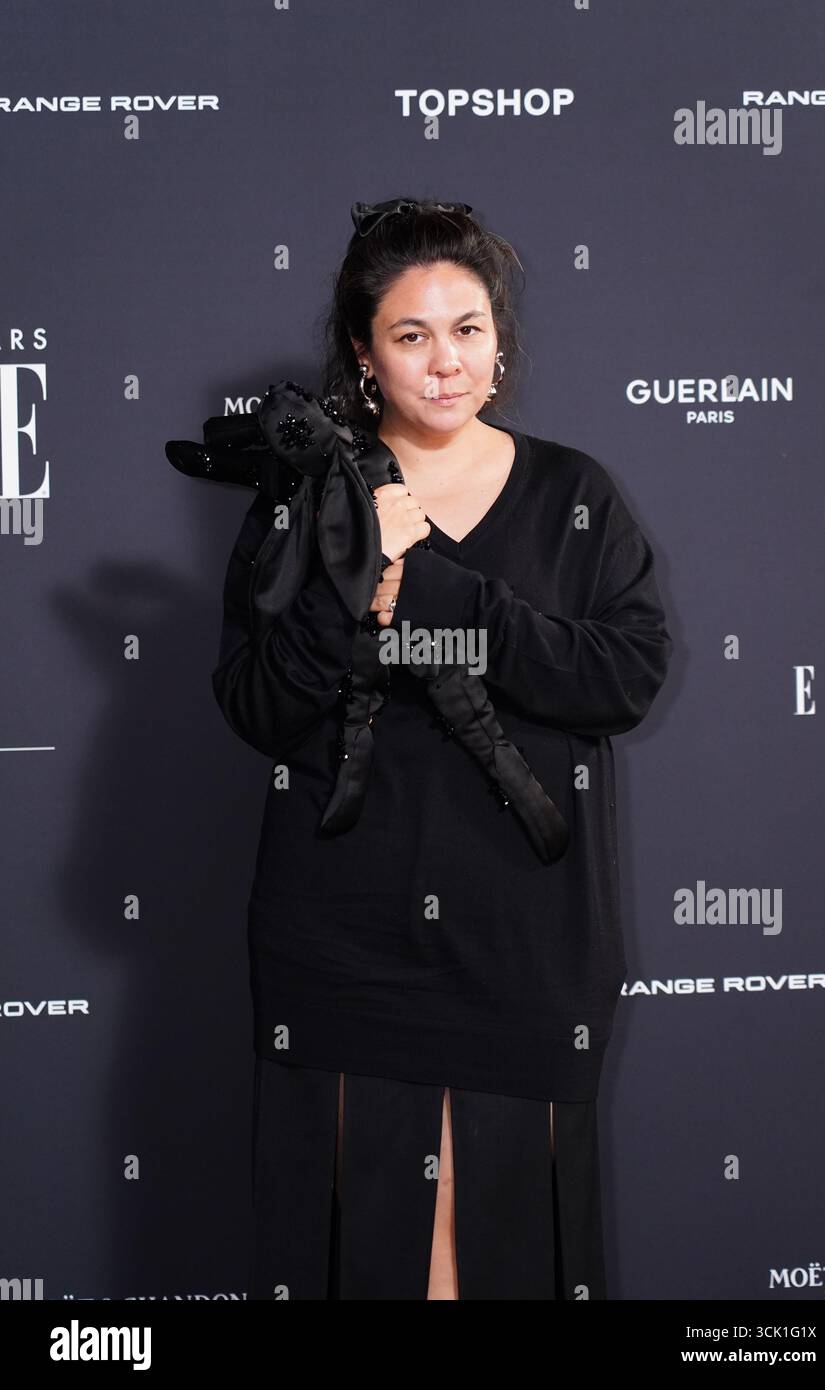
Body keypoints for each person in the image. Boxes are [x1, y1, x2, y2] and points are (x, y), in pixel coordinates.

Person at [211, 197, 673, 1299]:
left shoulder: (574, 495)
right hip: (344, 936)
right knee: (366, 1248)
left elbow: (621, 676)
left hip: (525, 941)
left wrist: (441, 592)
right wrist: (347, 597)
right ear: (364, 357)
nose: (444, 361)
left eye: (466, 328)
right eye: (409, 335)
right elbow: (256, 706)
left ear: (499, 339)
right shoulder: (302, 498)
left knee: (502, 1244)